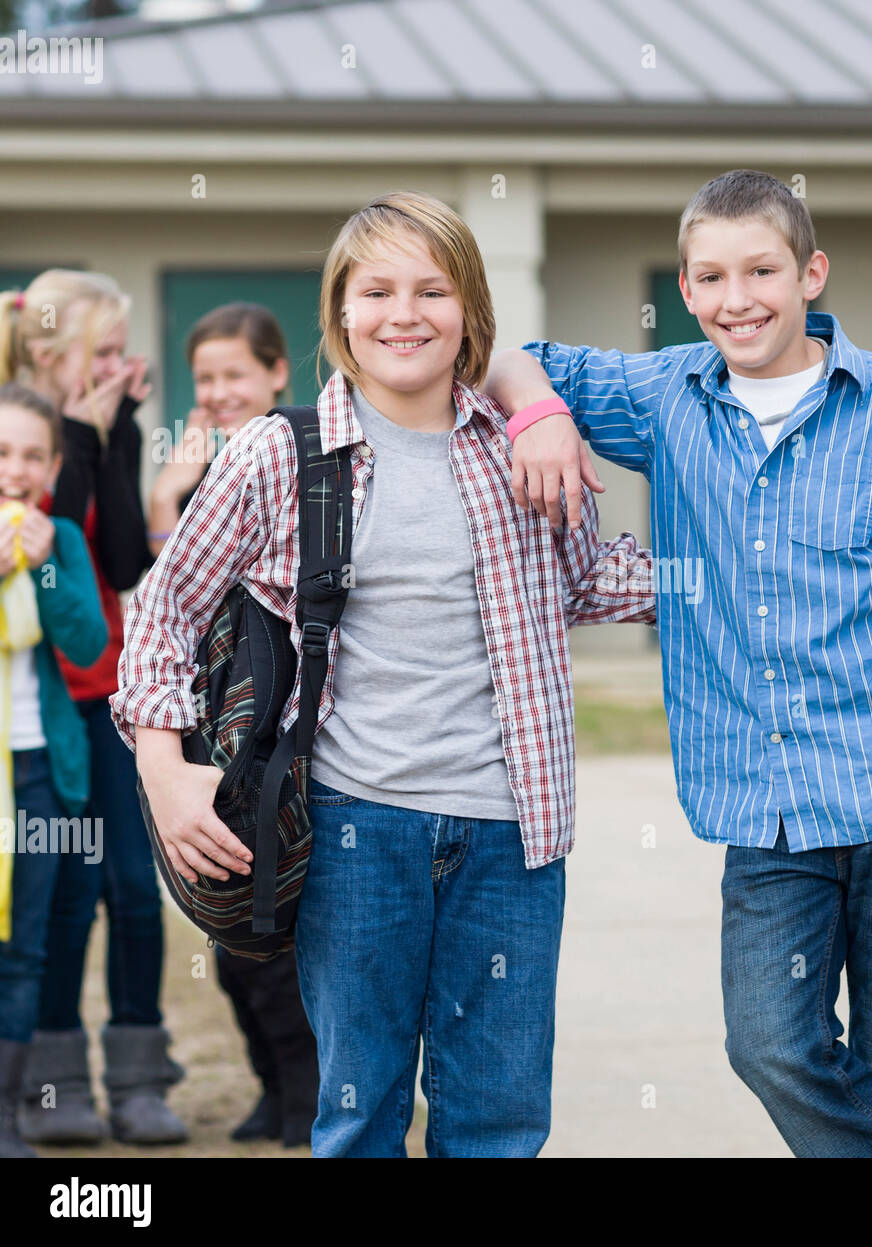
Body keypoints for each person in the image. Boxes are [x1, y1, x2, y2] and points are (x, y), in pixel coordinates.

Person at [484, 169, 872, 1159]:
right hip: (766, 807)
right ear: (685, 290)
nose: (740, 298)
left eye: (762, 269)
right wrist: (543, 416)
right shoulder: (663, 397)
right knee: (771, 1044)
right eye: (712, 276)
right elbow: (507, 356)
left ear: (810, 271)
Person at [112, 191, 657, 1158]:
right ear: (340, 314)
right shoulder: (281, 457)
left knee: (497, 1120)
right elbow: (165, 604)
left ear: (471, 315)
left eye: (432, 290)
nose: (404, 313)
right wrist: (162, 765)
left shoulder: (514, 450)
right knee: (360, 1117)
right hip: (359, 830)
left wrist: (753, 566)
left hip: (515, 834)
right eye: (377, 291)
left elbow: (593, 581)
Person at [0, 271, 187, 1146]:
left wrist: (112, 435)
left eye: (120, 350)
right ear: (49, 355)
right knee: (61, 897)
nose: (119, 365)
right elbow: (47, 531)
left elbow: (117, 558)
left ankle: (142, 1075)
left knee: (135, 893)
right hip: (46, 709)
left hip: (114, 694)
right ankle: (52, 1080)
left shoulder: (109, 428)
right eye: (101, 352)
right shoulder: (28, 437)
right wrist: (78, 432)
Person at [151, 302, 319, 1146]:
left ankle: (305, 1101)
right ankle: (267, 1085)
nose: (217, 393)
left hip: (273, 728)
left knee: (275, 929)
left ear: (277, 373)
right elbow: (162, 599)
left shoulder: (298, 461)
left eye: (235, 376)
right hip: (206, 728)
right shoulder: (191, 473)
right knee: (226, 933)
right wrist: (164, 494)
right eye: (205, 379)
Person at [0, 383, 108, 1158]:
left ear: (53, 464)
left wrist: (39, 567)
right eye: (2, 452)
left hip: (38, 767)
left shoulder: (60, 536)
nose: (15, 468)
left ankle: (7, 1118)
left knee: (25, 945)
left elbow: (84, 640)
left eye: (32, 455)